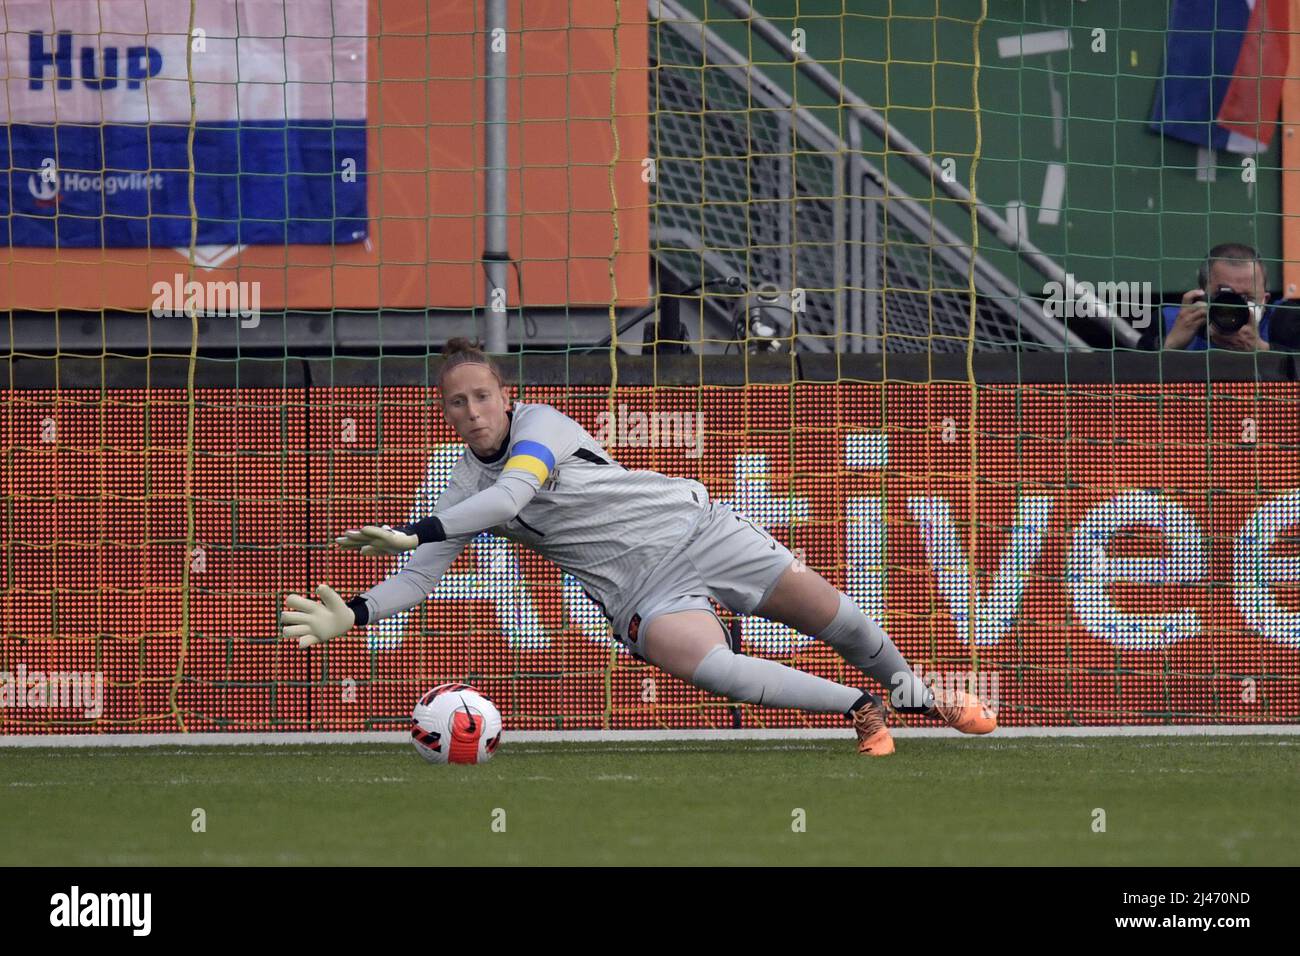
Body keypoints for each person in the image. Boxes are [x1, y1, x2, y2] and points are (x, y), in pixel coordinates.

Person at [279, 338, 997, 756]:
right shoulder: (459, 485)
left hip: (699, 531)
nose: (470, 412)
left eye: (480, 396)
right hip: (640, 596)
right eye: (455, 402)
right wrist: (359, 613)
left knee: (840, 620)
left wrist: (419, 529)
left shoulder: (543, 426)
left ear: (506, 395)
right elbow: (417, 577)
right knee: (719, 672)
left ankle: (924, 699)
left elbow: (509, 500)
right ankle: (860, 709)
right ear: (445, 411)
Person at [1161, 242, 1273, 351]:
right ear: (1201, 295)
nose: (1233, 307)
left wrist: (1263, 350)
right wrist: (1170, 345)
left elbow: (1289, 363)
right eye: (1224, 296)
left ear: (1265, 300)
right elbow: (1145, 365)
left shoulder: (1280, 325)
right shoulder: (1168, 321)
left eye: (1247, 298)